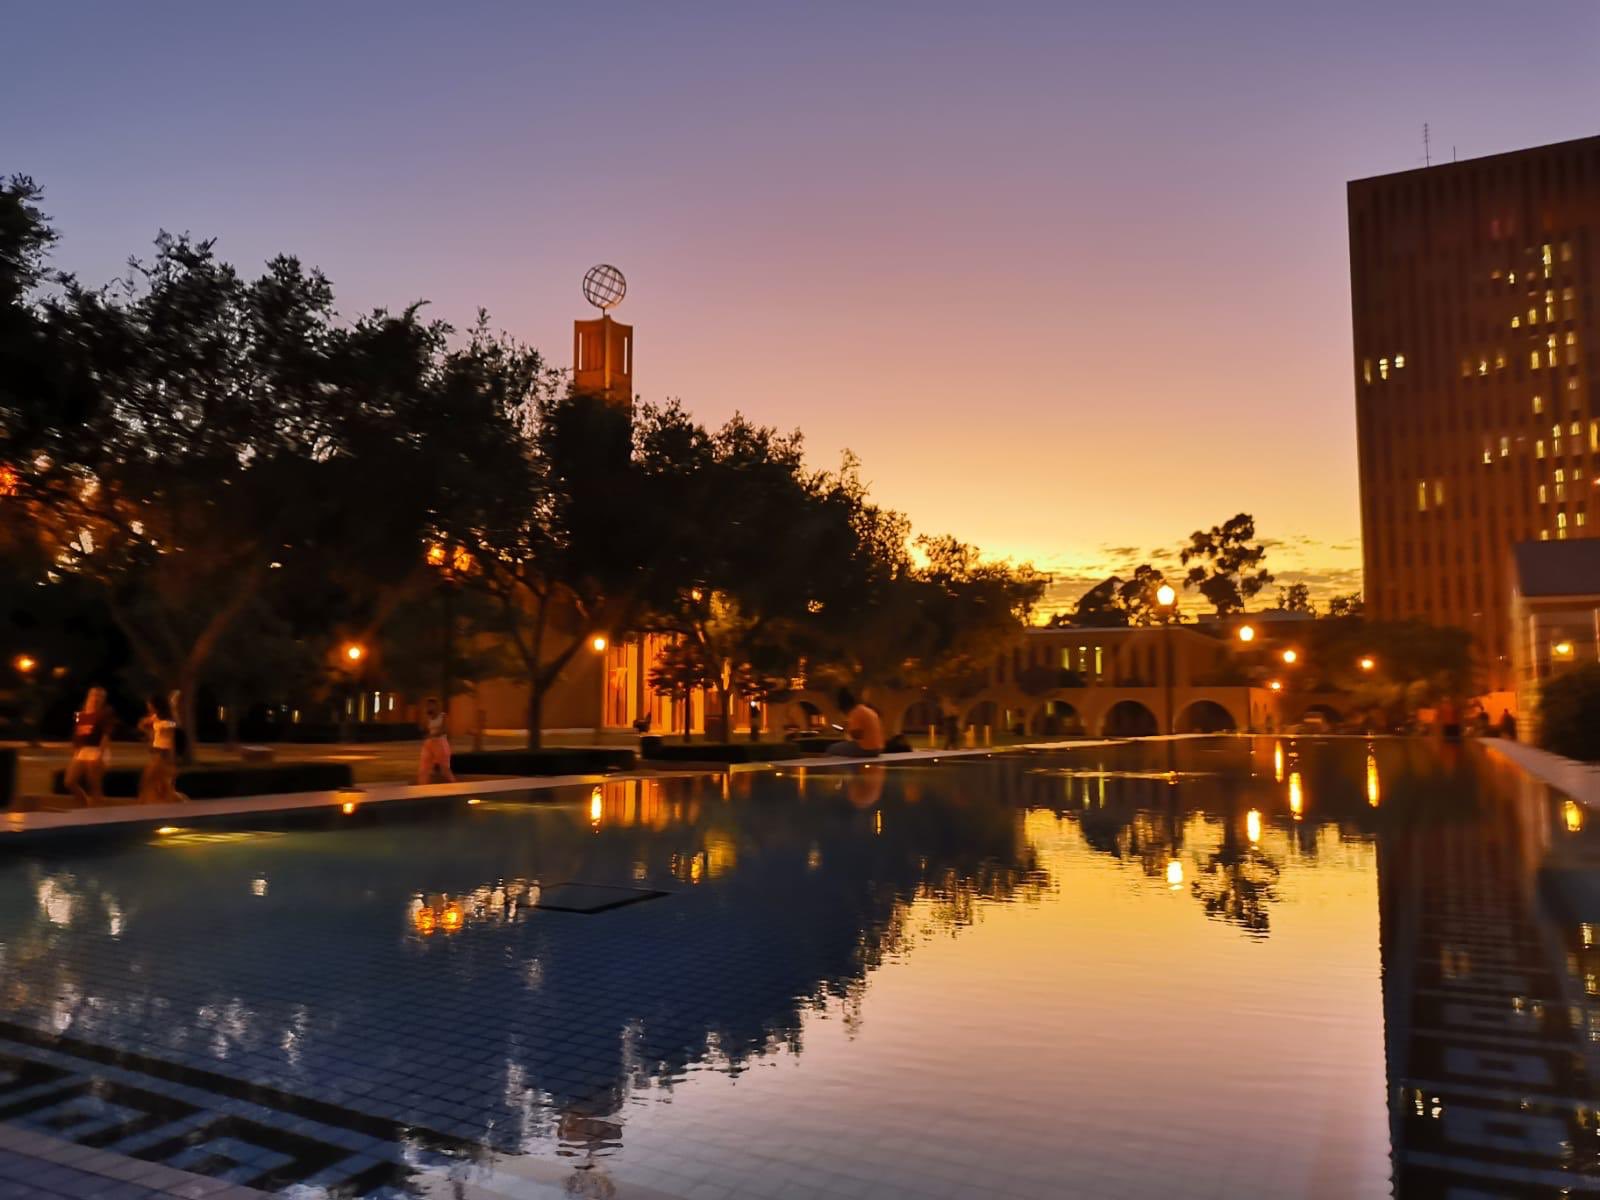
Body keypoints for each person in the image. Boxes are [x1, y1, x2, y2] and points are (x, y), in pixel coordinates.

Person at [65, 687, 116, 806]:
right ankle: (85, 802)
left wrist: (100, 754)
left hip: (96, 749)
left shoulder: (105, 713)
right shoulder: (80, 714)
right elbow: (77, 733)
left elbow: (106, 735)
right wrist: (75, 748)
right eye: (94, 695)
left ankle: (97, 810)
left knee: (94, 784)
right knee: (69, 781)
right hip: (83, 750)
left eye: (99, 696)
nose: (96, 698)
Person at [137, 694, 184, 804]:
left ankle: (141, 802)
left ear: (156, 705)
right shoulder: (155, 717)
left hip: (164, 753)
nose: (148, 706)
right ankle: (178, 802)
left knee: (149, 778)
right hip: (157, 751)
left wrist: (172, 759)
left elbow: (174, 729)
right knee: (160, 783)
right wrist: (148, 729)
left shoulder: (169, 721)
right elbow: (142, 725)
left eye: (150, 704)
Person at [827, 688, 884, 758]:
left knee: (832, 748)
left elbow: (857, 735)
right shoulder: (867, 710)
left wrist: (847, 728)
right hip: (878, 748)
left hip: (866, 749)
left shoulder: (856, 712)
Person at [418, 697, 456, 784]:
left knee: (444, 769)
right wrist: (424, 718)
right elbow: (422, 728)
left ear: (436, 706)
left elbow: (445, 730)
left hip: (440, 743)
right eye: (427, 706)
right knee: (424, 767)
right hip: (429, 743)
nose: (429, 707)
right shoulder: (428, 717)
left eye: (431, 705)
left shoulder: (443, 716)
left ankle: (453, 785)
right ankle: (422, 787)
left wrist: (433, 734)